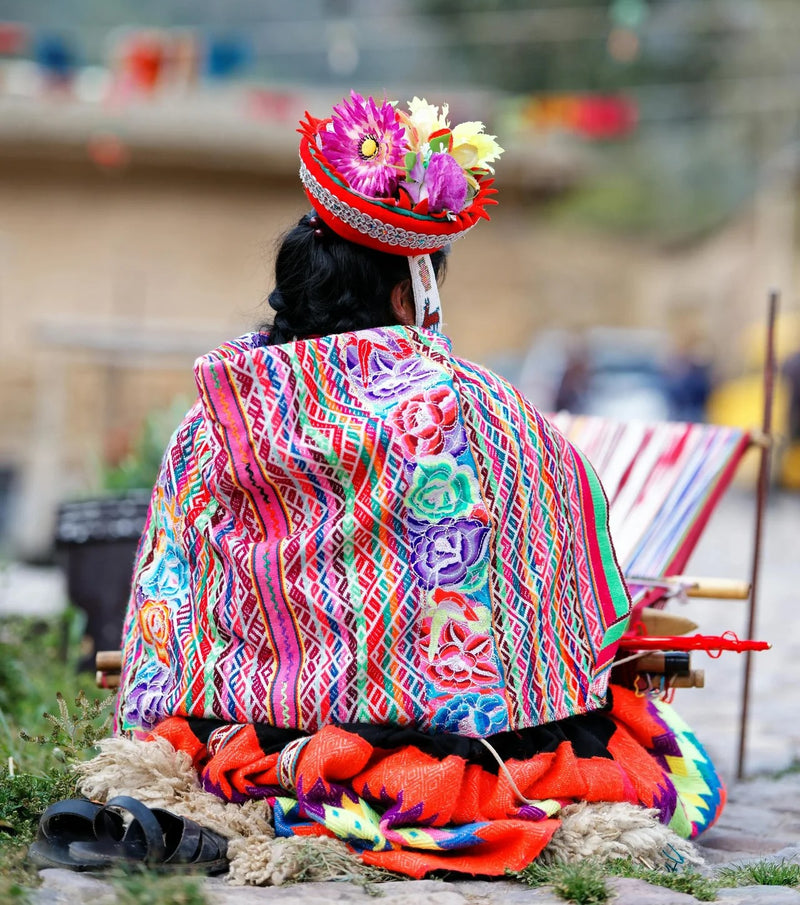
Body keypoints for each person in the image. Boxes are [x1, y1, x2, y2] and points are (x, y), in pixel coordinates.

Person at [111, 93, 723, 878]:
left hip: (248, 729)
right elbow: (557, 558)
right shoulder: (475, 413)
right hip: (457, 754)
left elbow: (178, 589)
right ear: (411, 289)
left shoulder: (215, 417)